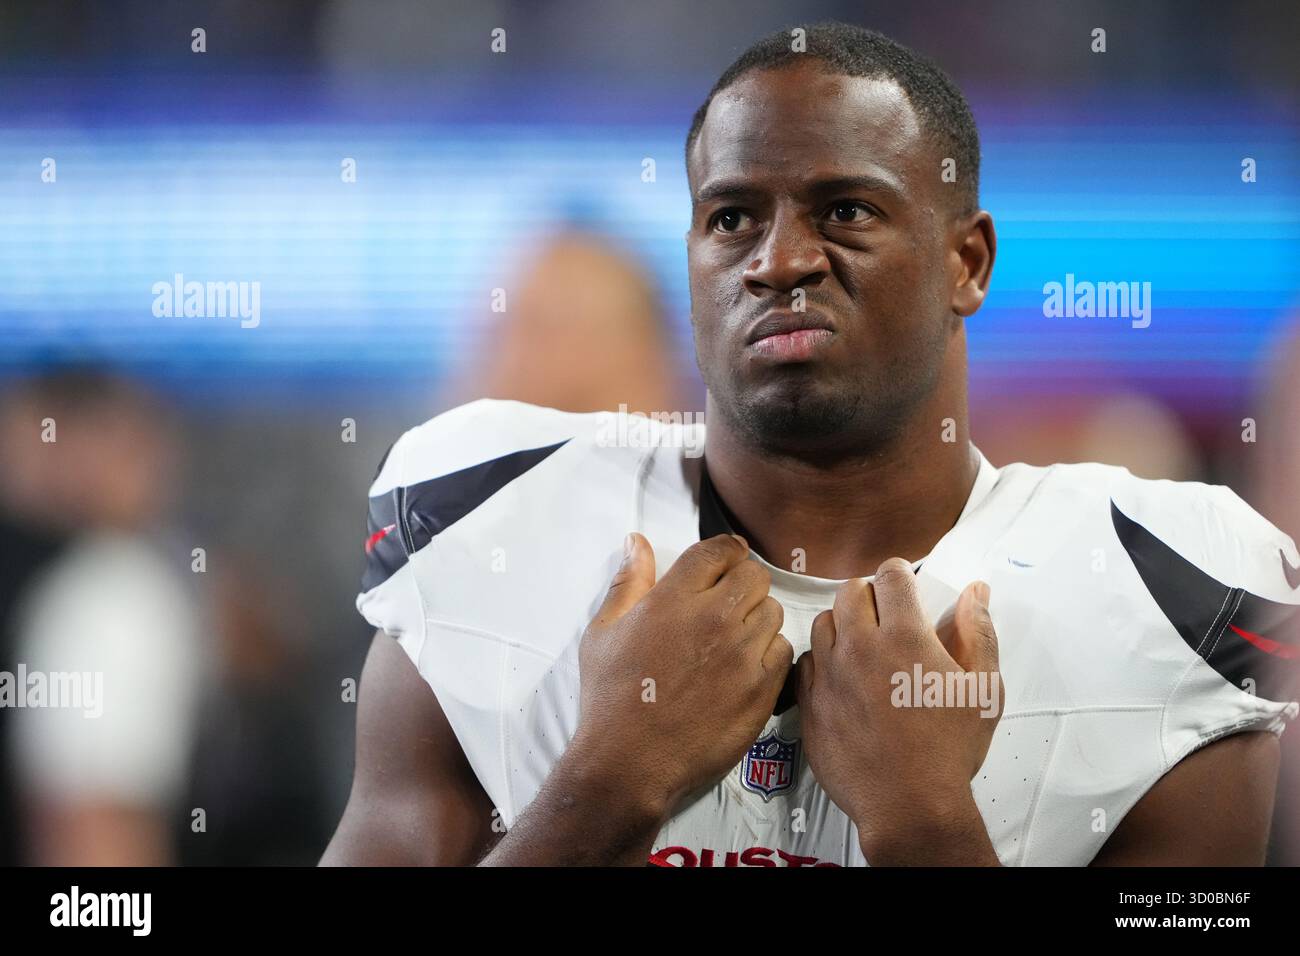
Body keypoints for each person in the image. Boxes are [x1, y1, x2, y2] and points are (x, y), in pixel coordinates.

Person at [322, 22, 1298, 867]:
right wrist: (606, 782)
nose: (778, 260)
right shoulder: (494, 508)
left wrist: (924, 824)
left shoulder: (1169, 595)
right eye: (733, 216)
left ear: (967, 261)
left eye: (844, 210)